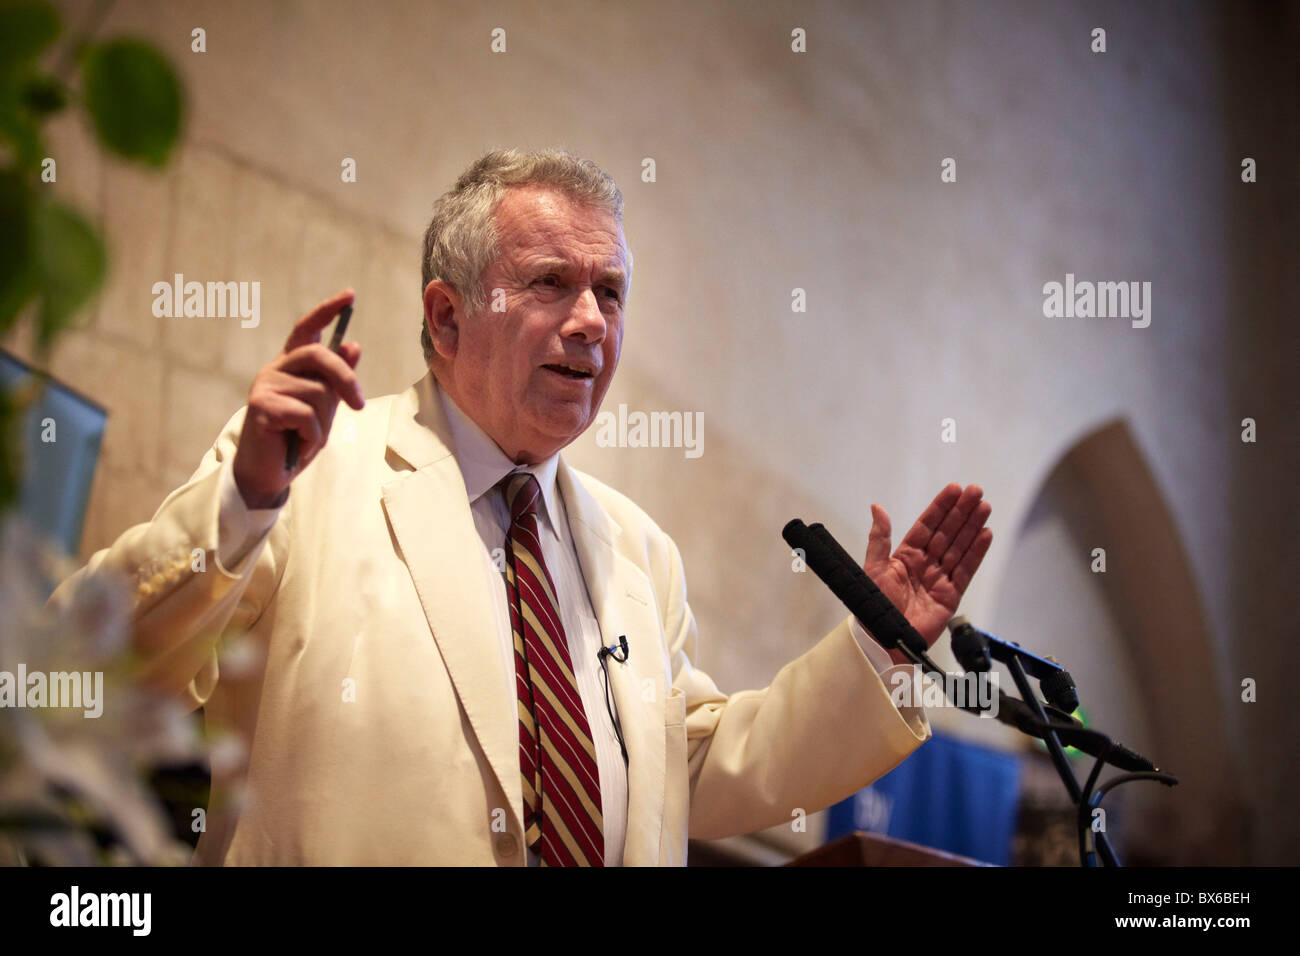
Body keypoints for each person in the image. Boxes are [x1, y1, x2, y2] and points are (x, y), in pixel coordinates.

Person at [51, 148, 993, 865]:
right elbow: (86, 670)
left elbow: (691, 770)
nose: (593, 321)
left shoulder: (637, 551)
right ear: (449, 315)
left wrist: (879, 646)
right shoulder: (312, 474)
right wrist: (245, 501)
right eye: (552, 283)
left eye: (612, 292)